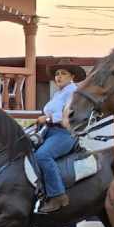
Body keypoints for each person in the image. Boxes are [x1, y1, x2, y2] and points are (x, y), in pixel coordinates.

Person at [35, 59, 83, 214]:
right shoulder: (58, 93)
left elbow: (68, 115)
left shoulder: (73, 91)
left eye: (63, 73)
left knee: (42, 156)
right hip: (48, 131)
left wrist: (47, 119)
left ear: (72, 76)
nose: (59, 77)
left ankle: (58, 195)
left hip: (64, 133)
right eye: (57, 74)